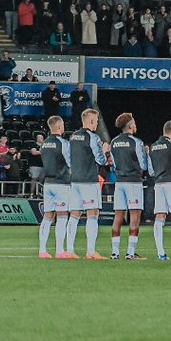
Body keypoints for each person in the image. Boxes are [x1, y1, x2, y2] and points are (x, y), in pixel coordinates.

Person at [67, 108, 109, 260]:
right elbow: (101, 160)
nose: (97, 123)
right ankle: (91, 252)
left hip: (75, 180)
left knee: (74, 215)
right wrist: (104, 150)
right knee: (93, 214)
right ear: (91, 121)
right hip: (89, 180)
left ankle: (70, 251)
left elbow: (69, 159)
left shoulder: (73, 136)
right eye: (96, 121)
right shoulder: (93, 137)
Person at [109, 113, 149, 260]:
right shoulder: (136, 142)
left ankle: (115, 252)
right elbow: (143, 165)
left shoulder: (113, 142)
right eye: (135, 123)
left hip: (119, 182)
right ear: (131, 126)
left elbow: (113, 163)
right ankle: (130, 253)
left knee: (118, 217)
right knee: (134, 217)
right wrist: (146, 154)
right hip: (134, 182)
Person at [148, 120, 171, 260]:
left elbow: (151, 171)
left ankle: (161, 253)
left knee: (160, 216)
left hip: (159, 184)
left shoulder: (153, 147)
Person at [36, 116, 72, 258]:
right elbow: (70, 162)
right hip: (61, 183)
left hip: (48, 183)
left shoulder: (44, 144)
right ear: (59, 126)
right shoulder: (63, 143)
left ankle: (42, 250)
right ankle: (59, 251)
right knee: (62, 216)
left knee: (47, 216)